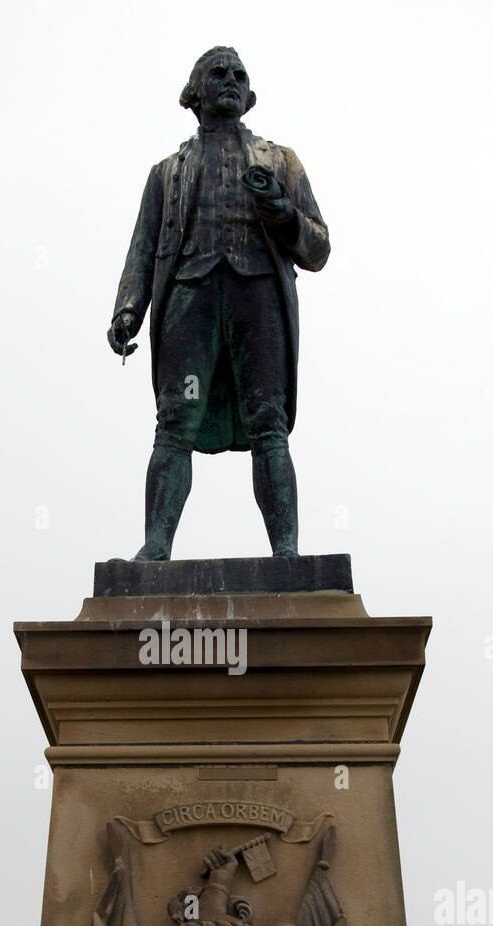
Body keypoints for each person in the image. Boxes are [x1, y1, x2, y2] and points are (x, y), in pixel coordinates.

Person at [108, 46, 329, 560]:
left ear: (249, 96)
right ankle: (156, 546)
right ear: (194, 93)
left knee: (268, 421)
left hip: (258, 301)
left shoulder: (280, 161)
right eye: (217, 73)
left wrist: (280, 210)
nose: (229, 80)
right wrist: (127, 309)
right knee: (174, 421)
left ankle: (287, 554)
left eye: (238, 74)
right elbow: (142, 249)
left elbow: (318, 246)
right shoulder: (167, 172)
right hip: (191, 300)